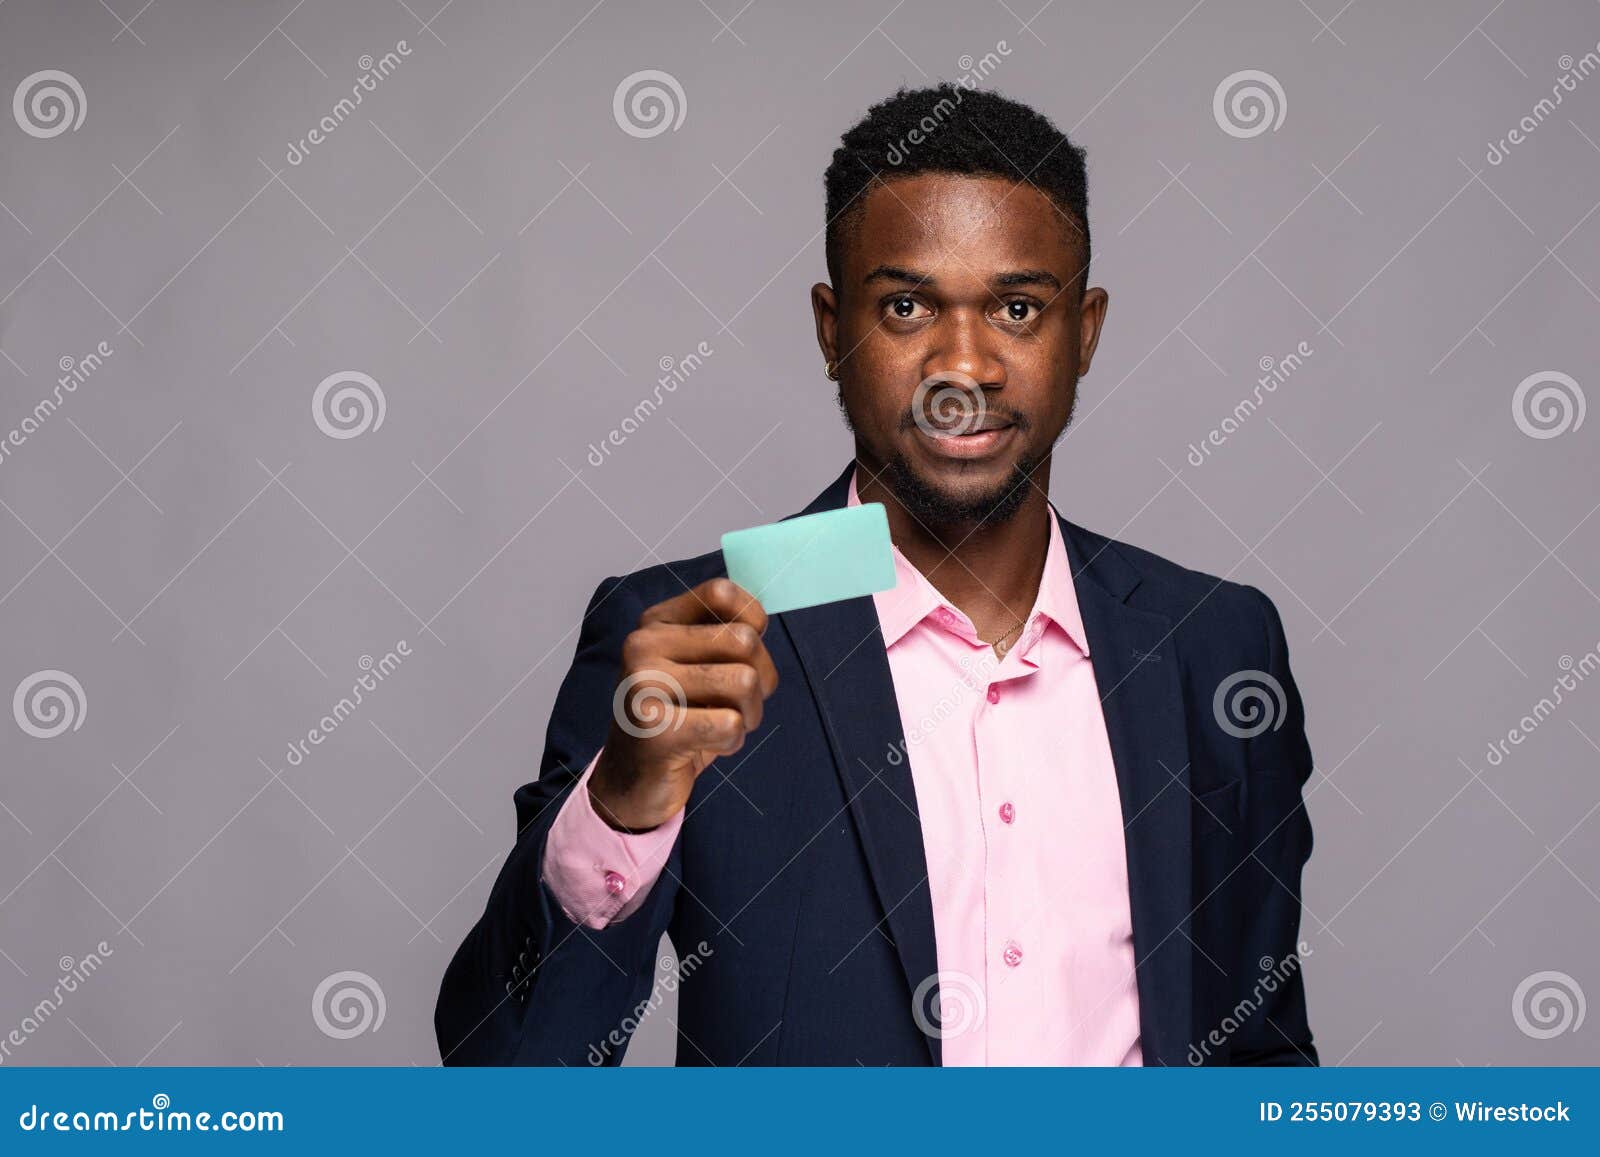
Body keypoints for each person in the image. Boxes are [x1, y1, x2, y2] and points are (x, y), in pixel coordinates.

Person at [436, 82, 1317, 1067]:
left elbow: (1260, 1061)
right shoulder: (700, 638)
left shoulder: (1214, 646)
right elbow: (504, 1072)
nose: (963, 366)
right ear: (831, 329)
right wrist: (621, 806)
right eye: (906, 306)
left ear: (1085, 331)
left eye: (1017, 308)